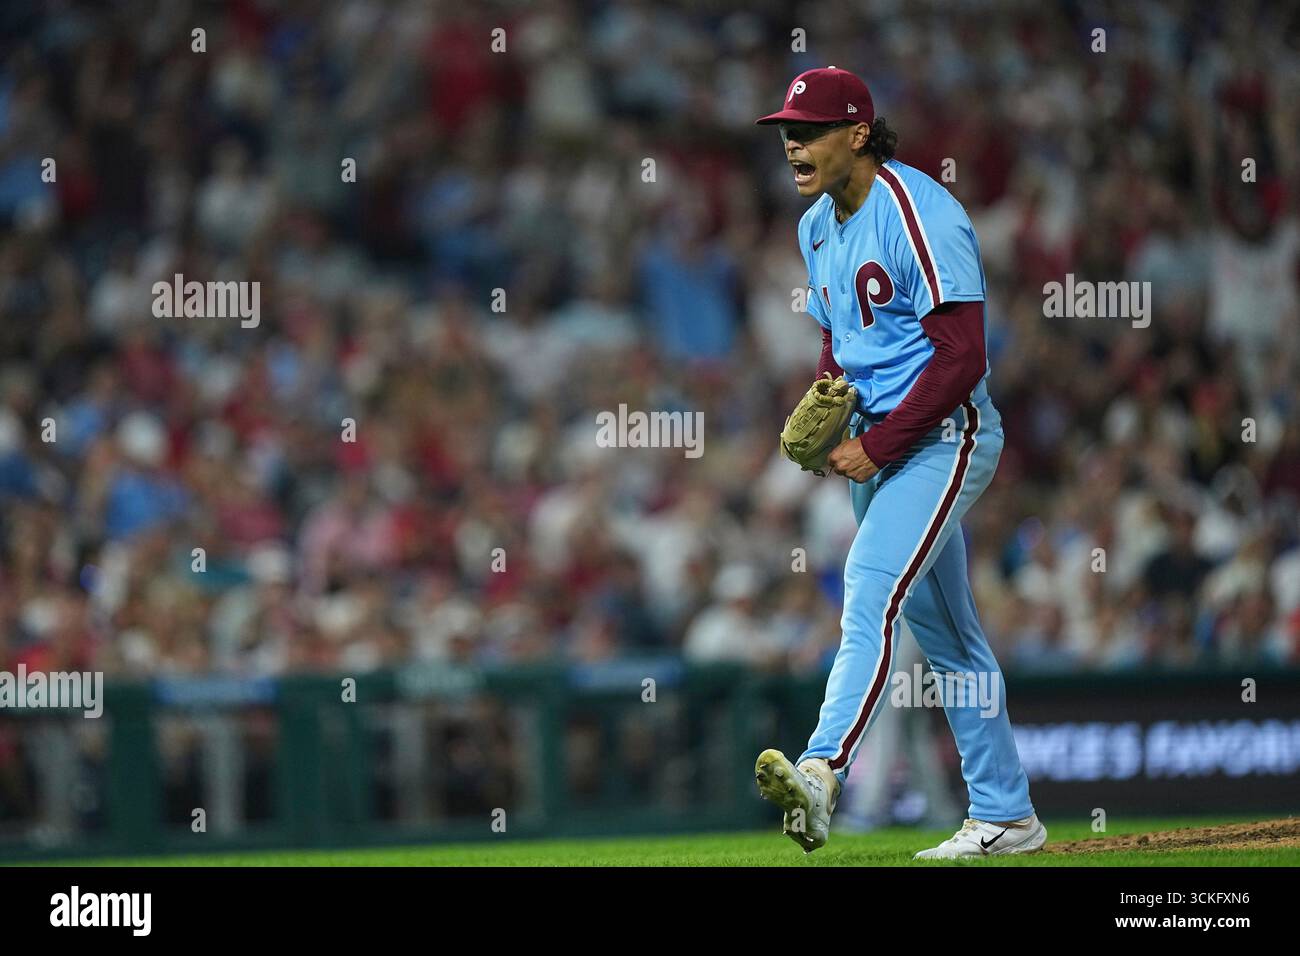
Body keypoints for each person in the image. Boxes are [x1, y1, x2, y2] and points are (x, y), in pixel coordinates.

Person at [751, 67, 1045, 858]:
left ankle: (823, 770)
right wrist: (828, 398)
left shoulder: (921, 213)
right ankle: (1006, 815)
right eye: (786, 129)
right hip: (880, 444)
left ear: (857, 133)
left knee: (868, 594)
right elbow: (837, 336)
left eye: (808, 128)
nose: (792, 142)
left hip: (945, 434)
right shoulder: (815, 227)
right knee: (950, 642)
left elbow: (962, 357)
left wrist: (876, 444)